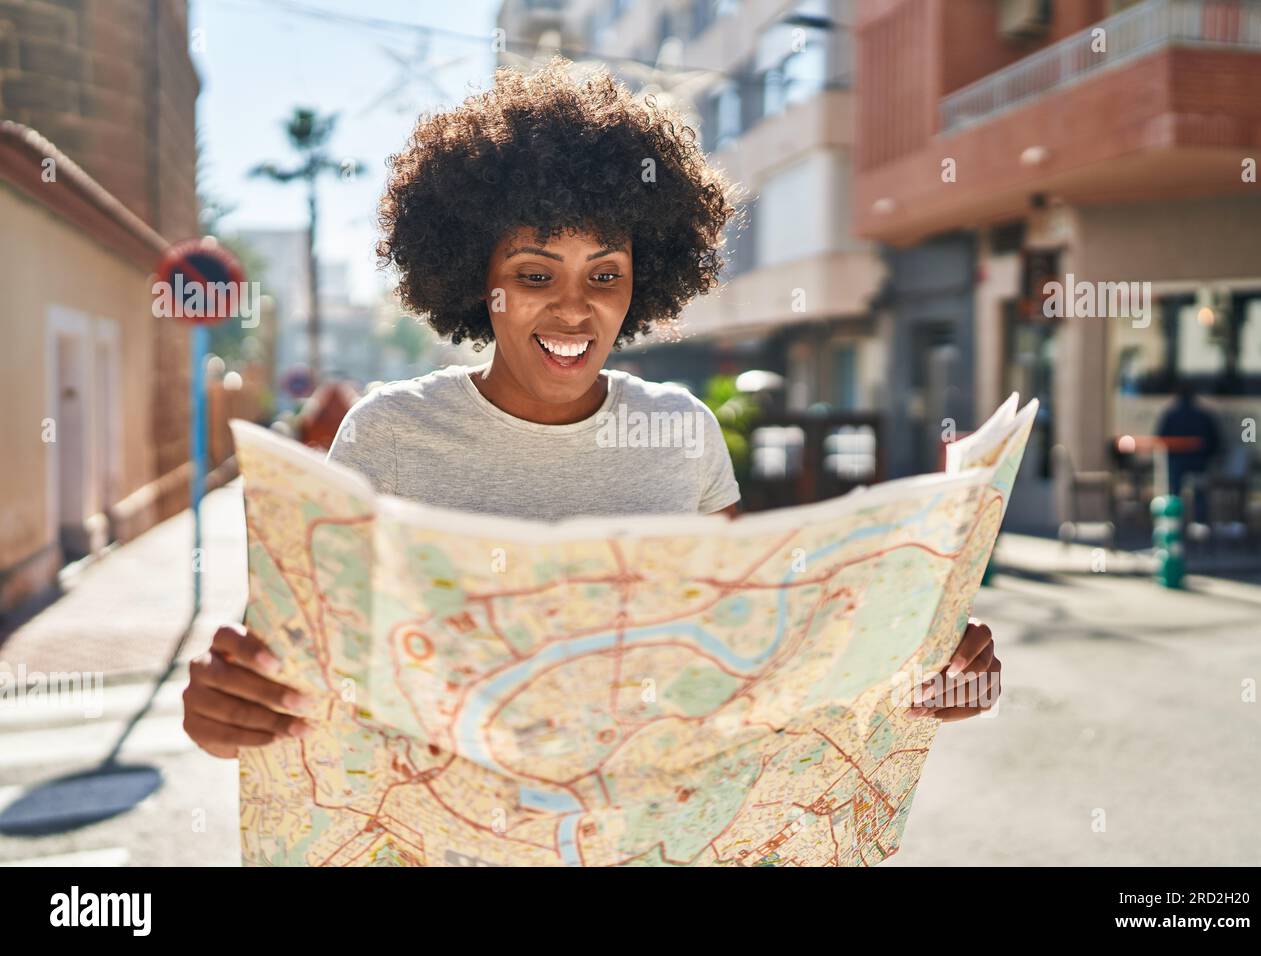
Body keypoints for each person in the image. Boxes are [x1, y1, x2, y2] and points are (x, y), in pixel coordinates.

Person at [182, 60, 999, 768]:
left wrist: (917, 669)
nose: (575, 312)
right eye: (537, 276)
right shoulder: (389, 435)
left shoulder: (682, 433)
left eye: (604, 276)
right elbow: (291, 675)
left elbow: (747, 654)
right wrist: (224, 714)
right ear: (479, 281)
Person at [1156, 381, 1221, 523]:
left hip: (1177, 464)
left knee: (1174, 490)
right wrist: (1205, 456)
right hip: (1199, 463)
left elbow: (1161, 439)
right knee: (1200, 492)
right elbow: (1216, 443)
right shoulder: (1203, 416)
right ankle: (1200, 524)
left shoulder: (1171, 415)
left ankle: (1174, 522)